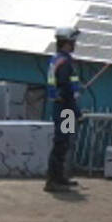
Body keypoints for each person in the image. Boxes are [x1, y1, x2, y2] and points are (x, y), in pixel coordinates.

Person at [45, 26, 83, 193]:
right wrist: (77, 112)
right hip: (65, 109)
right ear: (66, 42)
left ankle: (60, 177)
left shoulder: (57, 59)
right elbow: (66, 89)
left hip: (63, 107)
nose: (75, 44)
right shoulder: (65, 62)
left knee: (64, 143)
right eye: (73, 41)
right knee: (61, 143)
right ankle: (52, 181)